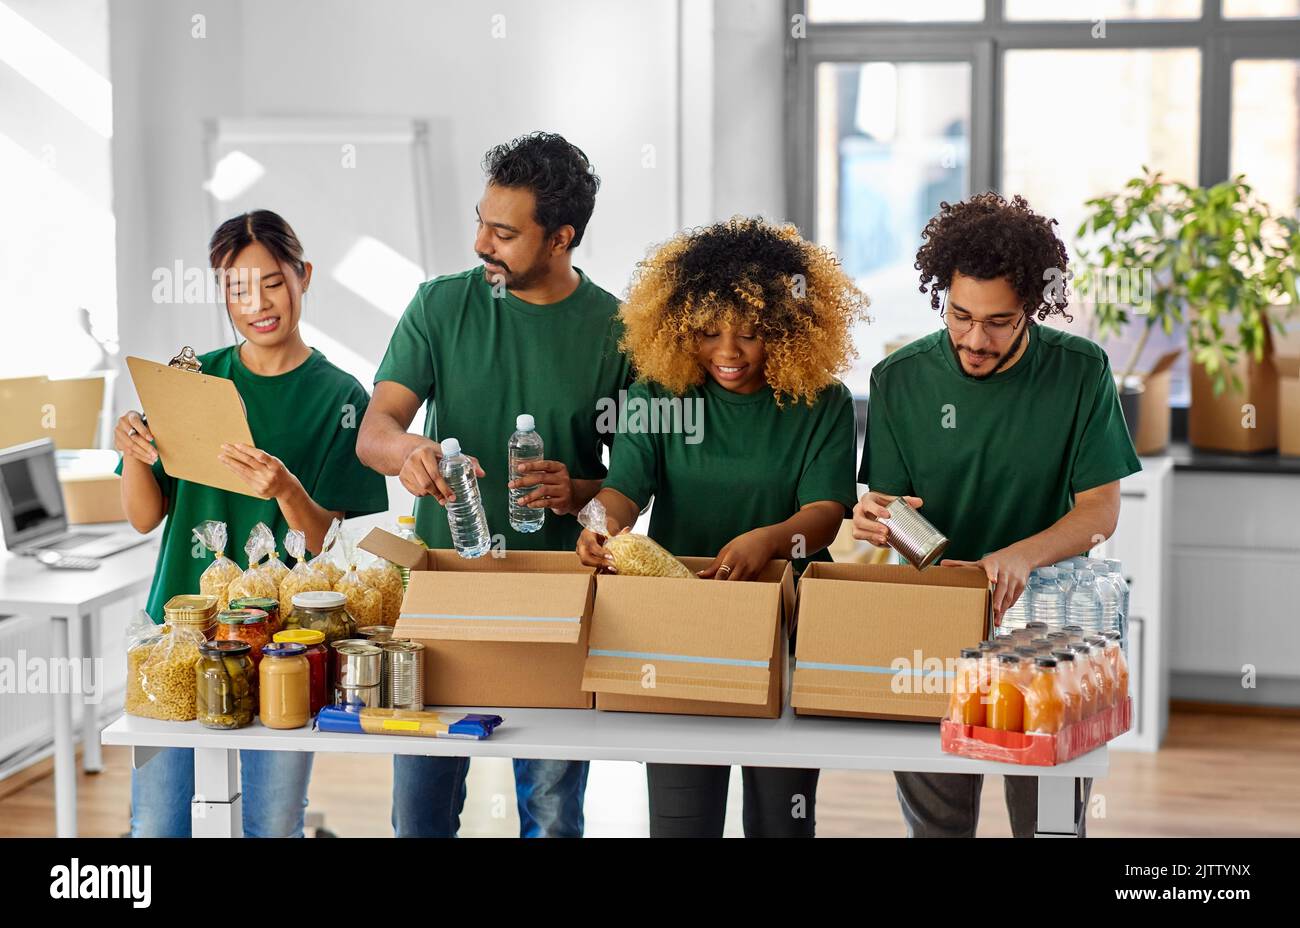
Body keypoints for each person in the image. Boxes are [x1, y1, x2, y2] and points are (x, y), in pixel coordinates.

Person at [357, 132, 632, 838]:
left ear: (562, 237)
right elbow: (375, 429)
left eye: (504, 232)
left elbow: (635, 478)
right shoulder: (442, 305)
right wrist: (410, 450)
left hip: (559, 594)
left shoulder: (615, 330)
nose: (482, 242)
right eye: (481, 220)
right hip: (442, 587)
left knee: (550, 813)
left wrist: (578, 491)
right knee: (419, 813)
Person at [850, 192, 1141, 838]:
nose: (974, 340)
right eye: (960, 316)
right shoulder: (900, 380)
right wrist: (876, 516)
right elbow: (893, 509)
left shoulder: (1080, 372)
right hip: (937, 628)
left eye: (999, 322)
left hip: (1052, 634)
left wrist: (1018, 557)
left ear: (1032, 309)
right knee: (939, 826)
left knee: (1049, 827)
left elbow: (1100, 512)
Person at [576, 217, 867, 837]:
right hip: (685, 625)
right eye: (708, 333)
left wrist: (768, 541)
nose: (728, 354)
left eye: (752, 335)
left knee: (782, 823)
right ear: (680, 328)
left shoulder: (822, 404)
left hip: (789, 626)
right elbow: (624, 489)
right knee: (683, 822)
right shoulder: (658, 394)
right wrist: (600, 525)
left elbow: (825, 514)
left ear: (789, 331)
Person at [115, 210, 388, 837]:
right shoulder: (190, 380)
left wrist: (288, 490)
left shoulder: (342, 398)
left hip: (283, 643)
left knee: (273, 823)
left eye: (271, 282)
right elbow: (142, 517)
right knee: (156, 825)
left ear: (304, 276)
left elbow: (333, 548)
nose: (257, 304)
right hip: (177, 631)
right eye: (237, 289)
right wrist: (132, 450)